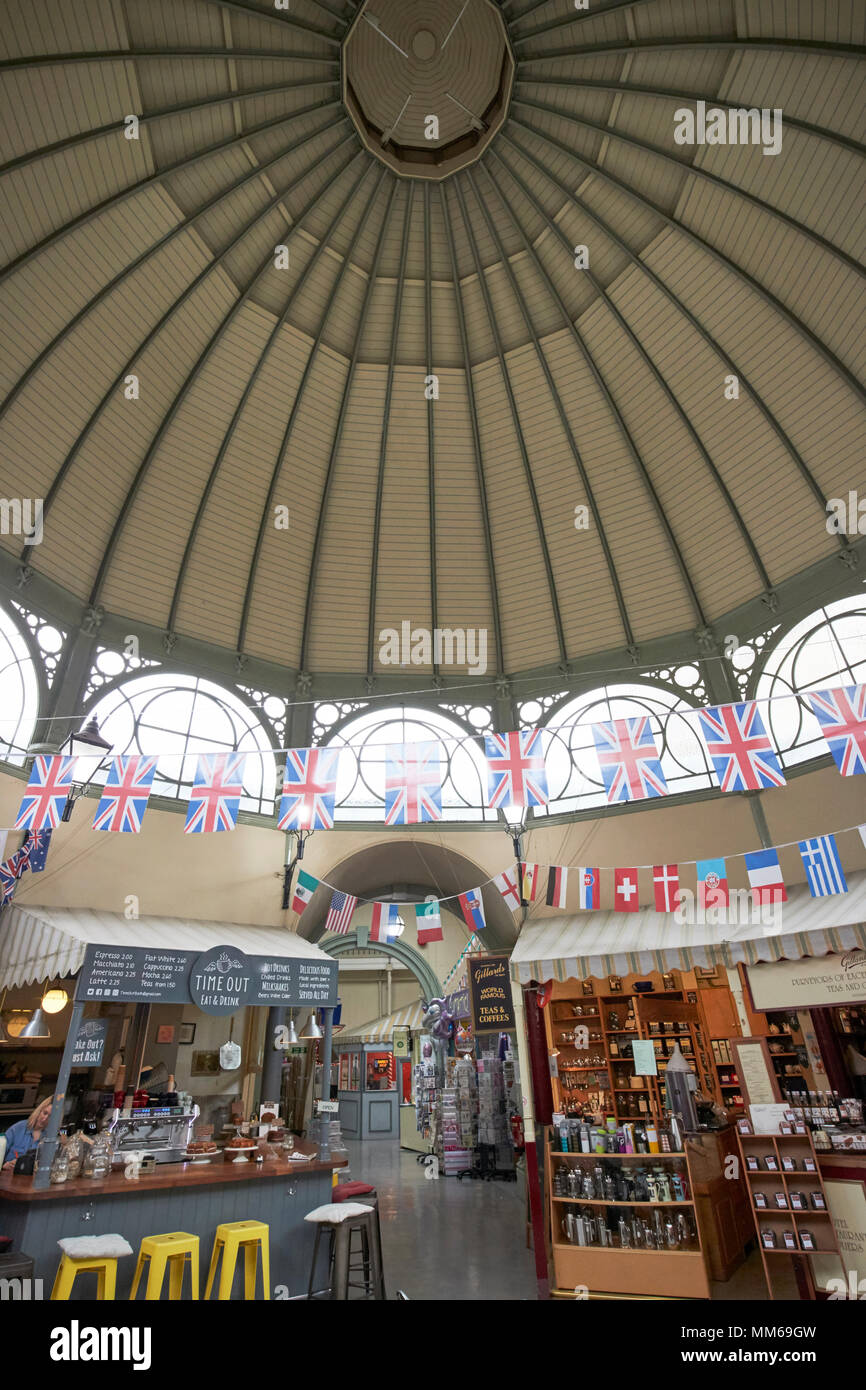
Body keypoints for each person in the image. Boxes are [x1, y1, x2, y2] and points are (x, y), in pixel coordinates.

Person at [2, 1095, 55, 1168]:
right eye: (44, 1113)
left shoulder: (51, 1137)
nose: (45, 1119)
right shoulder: (18, 1128)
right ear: (39, 1111)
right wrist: (4, 1165)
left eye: (50, 1116)